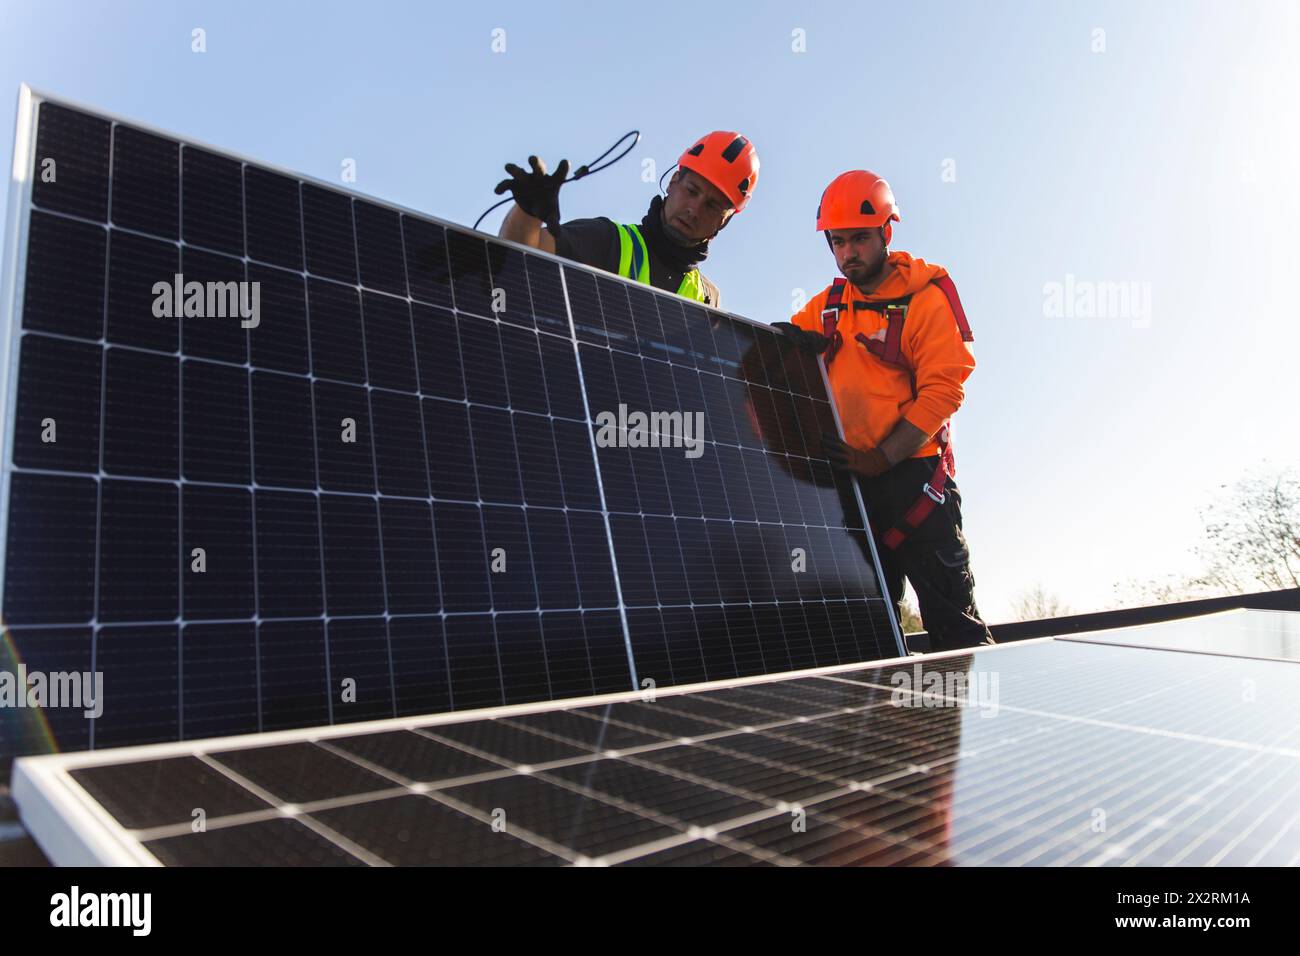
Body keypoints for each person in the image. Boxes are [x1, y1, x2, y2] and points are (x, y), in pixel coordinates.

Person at [775, 170, 994, 653]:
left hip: (914, 482)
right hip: (850, 490)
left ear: (885, 234)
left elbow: (944, 392)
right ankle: (890, 731)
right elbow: (776, 359)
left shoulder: (925, 298)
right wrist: (779, 347)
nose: (848, 252)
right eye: (838, 242)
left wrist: (883, 456)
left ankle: (973, 729)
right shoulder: (827, 307)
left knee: (958, 637)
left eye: (859, 239)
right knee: (869, 642)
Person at [493, 131, 759, 307]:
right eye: (691, 191)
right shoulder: (607, 240)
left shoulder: (708, 298)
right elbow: (516, 256)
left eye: (712, 206)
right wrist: (527, 211)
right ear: (673, 182)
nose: (694, 209)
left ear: (723, 222)